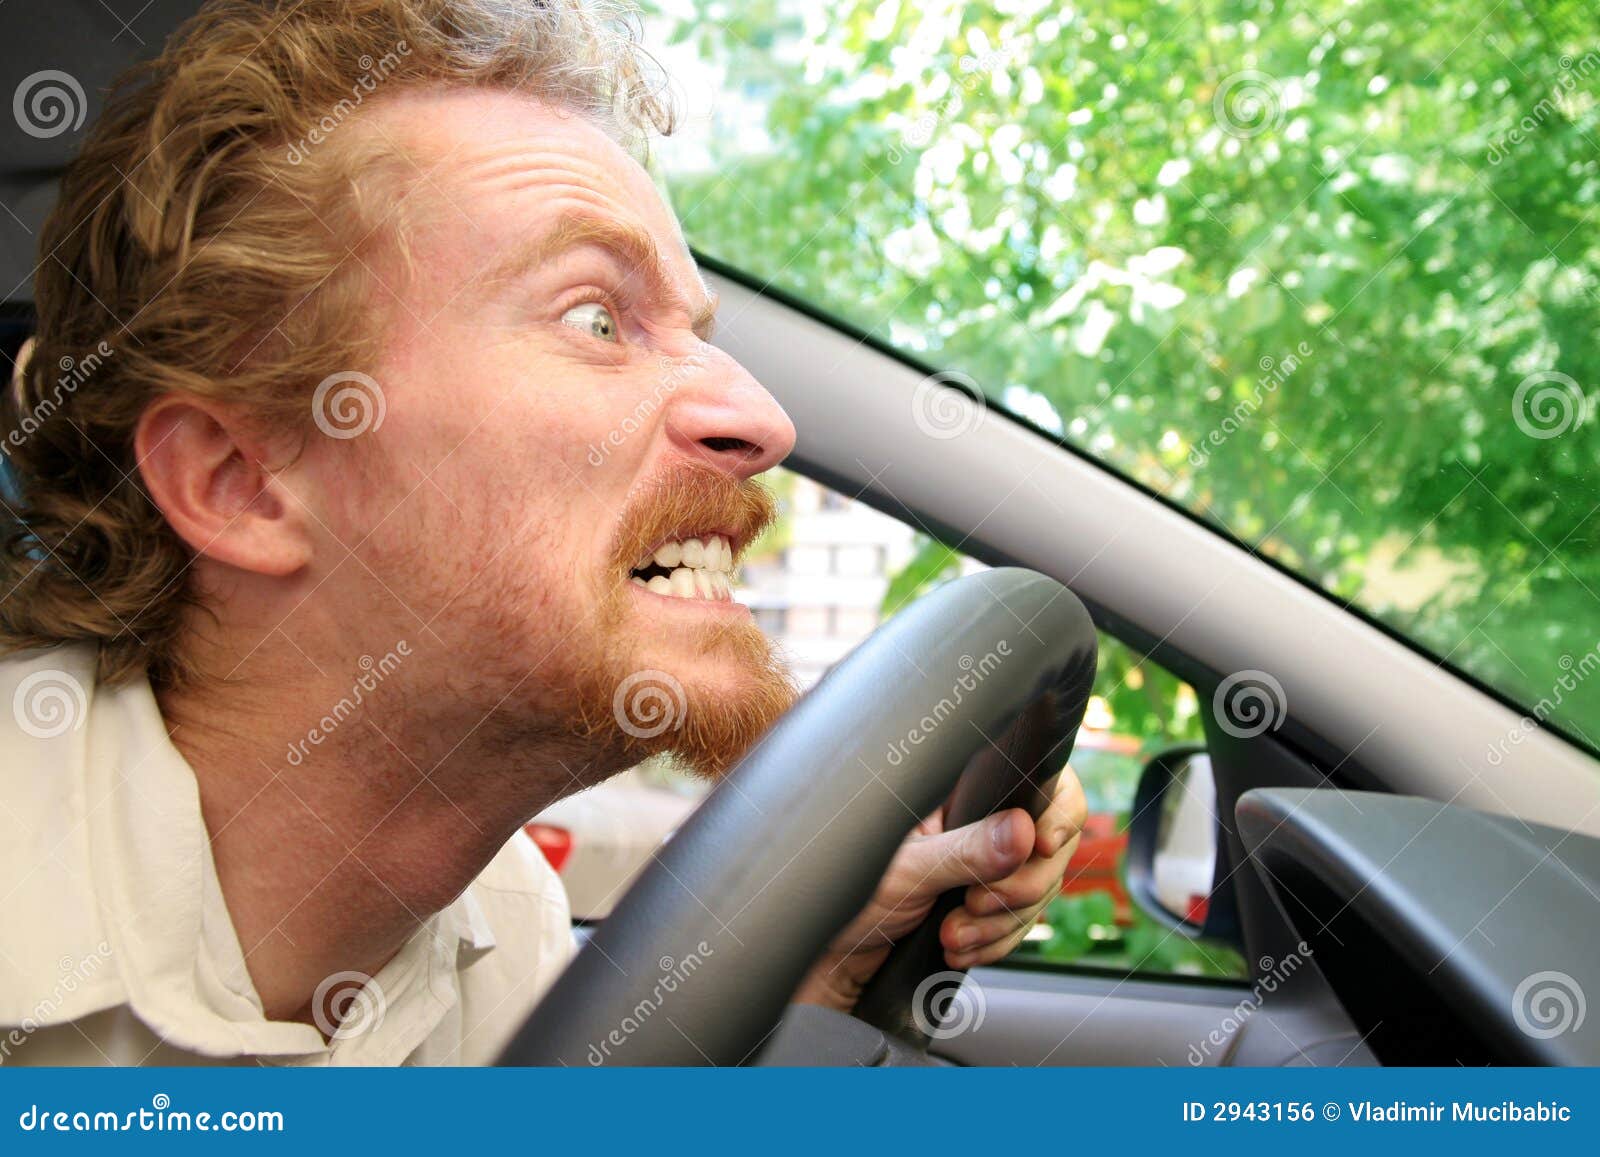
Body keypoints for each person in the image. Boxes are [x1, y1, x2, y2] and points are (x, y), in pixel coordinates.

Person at [0, 0, 1085, 1065]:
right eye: (598, 318)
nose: (764, 421)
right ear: (241, 481)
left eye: (693, 332)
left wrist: (813, 962)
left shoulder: (501, 928)